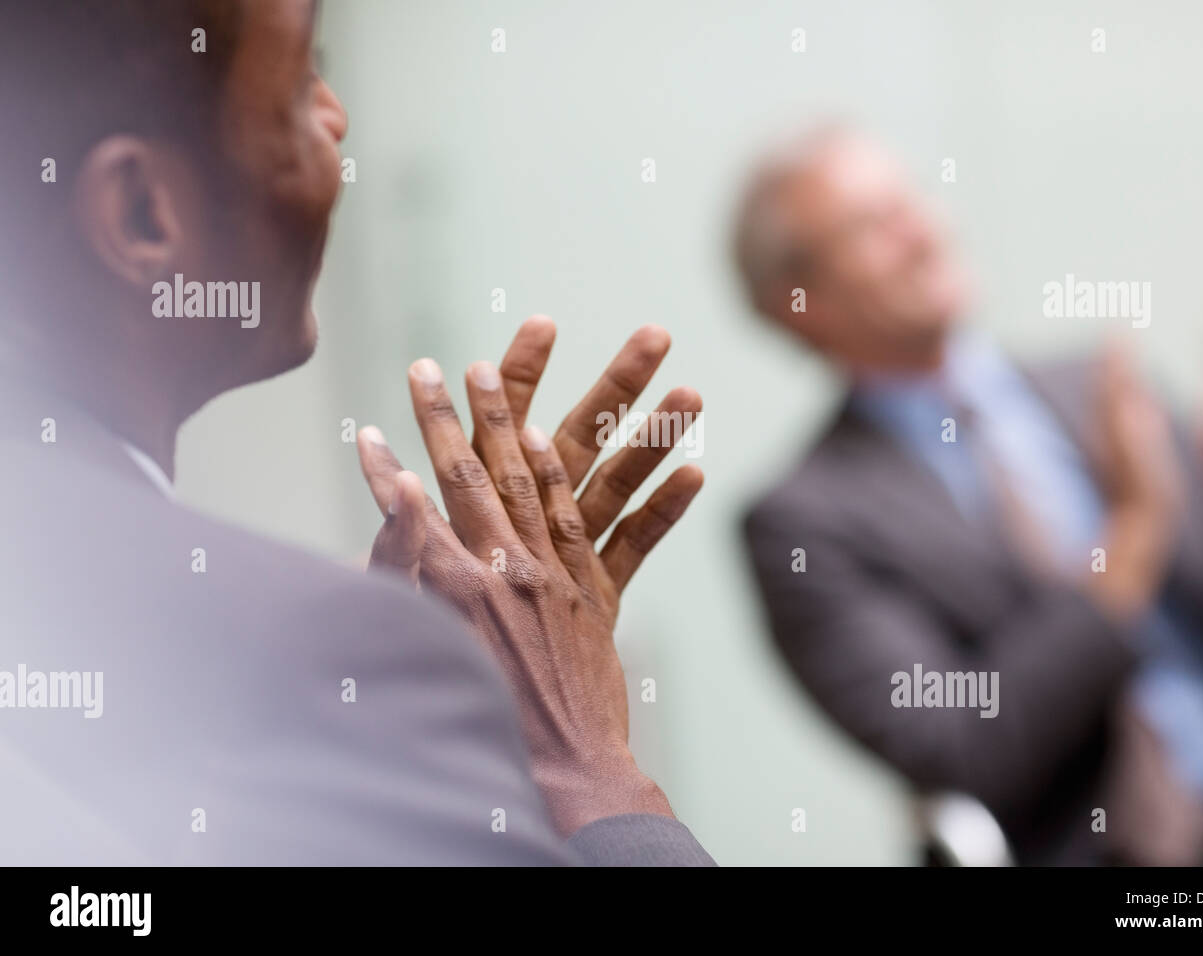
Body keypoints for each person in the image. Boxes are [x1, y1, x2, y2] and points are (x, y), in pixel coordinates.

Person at [0, 0, 709, 866]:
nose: (337, 117)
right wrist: (587, 770)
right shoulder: (311, 657)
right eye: (302, 83)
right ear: (144, 214)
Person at [737, 126, 1203, 865]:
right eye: (874, 225)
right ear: (798, 302)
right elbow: (962, 741)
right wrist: (1132, 537)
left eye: (913, 200)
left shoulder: (1099, 387)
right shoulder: (805, 523)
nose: (922, 233)